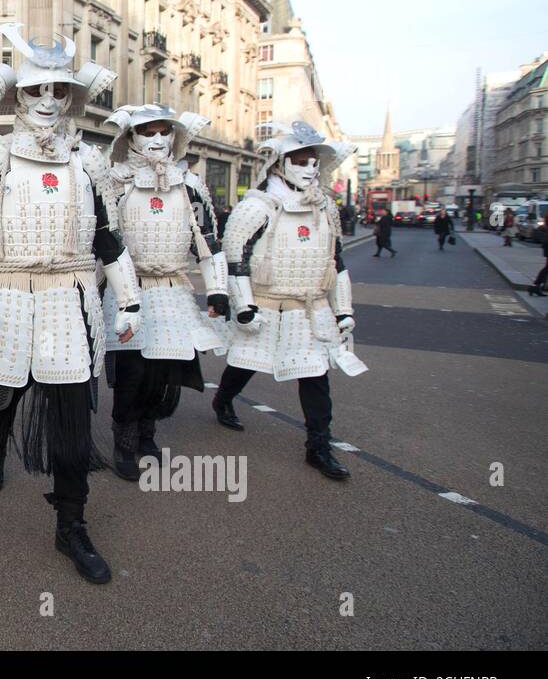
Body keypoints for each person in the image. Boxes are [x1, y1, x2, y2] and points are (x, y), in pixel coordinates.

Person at [0, 24, 141, 584]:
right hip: (8, 293)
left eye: (59, 90)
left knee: (72, 417)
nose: (48, 101)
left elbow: (109, 237)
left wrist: (127, 299)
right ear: (18, 97)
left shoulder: (92, 162)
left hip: (72, 299)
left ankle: (71, 524)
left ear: (72, 97)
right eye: (36, 91)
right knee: (4, 393)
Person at [213, 121, 364, 479]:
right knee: (246, 362)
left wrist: (344, 310)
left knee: (315, 376)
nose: (309, 167)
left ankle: (318, 446)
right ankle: (223, 398)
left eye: (314, 160)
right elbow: (236, 258)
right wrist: (244, 306)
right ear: (281, 162)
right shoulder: (258, 205)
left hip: (310, 308)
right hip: (266, 301)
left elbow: (336, 260)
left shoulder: (326, 207)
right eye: (299, 159)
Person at [101, 104, 228, 477]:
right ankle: (123, 440)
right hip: (128, 289)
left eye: (163, 132)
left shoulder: (190, 185)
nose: (156, 139)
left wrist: (218, 288)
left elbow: (207, 241)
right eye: (147, 132)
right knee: (132, 373)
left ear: (174, 136)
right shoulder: (114, 182)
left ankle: (146, 433)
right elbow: (100, 237)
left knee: (161, 372)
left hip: (172, 289)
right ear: (131, 137)